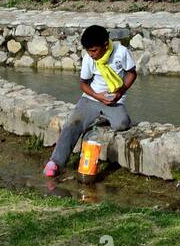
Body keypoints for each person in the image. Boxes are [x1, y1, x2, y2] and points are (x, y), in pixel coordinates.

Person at [44, 25, 137, 178]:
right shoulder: (89, 58)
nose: (91, 54)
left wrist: (120, 93)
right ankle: (56, 162)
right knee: (72, 124)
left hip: (113, 100)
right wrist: (97, 95)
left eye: (94, 50)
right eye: (88, 51)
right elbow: (83, 84)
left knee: (122, 124)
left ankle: (96, 121)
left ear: (105, 45)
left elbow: (132, 73)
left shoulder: (121, 52)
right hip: (91, 98)